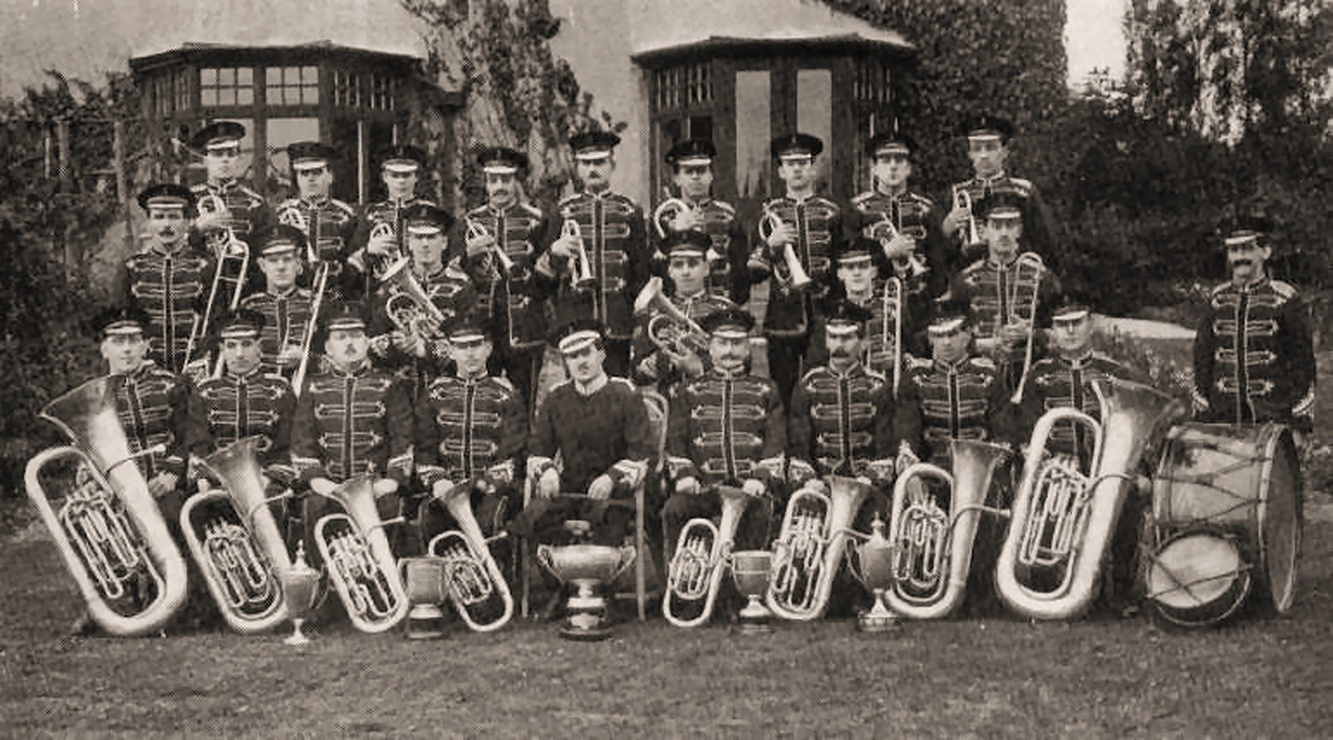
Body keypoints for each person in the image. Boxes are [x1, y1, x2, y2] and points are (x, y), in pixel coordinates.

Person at [1013, 294, 1151, 616]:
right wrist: (1041, 461)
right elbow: (1026, 428)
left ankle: (1120, 594)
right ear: (1053, 332)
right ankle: (1051, 589)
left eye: (1077, 323)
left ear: (1090, 325)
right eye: (1062, 326)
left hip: (1106, 469)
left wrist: (1141, 470)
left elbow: (1136, 428)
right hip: (1059, 471)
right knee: (1045, 507)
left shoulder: (1113, 372)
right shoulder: (1038, 375)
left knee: (1127, 501)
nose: (1070, 331)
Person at [68, 306, 191, 635]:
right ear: (104, 347)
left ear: (145, 346)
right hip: (115, 489)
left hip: (161, 484)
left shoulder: (172, 385)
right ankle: (99, 604)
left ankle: (170, 602)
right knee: (83, 521)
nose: (126, 348)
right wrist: (87, 471)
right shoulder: (90, 395)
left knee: (173, 512)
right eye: (118, 340)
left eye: (133, 340)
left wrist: (171, 473)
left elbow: (189, 438)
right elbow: (85, 447)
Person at [510, 320, 655, 547]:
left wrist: (612, 477)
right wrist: (547, 471)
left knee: (606, 530)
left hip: (614, 493)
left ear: (601, 355)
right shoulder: (556, 397)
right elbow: (538, 447)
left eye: (586, 353)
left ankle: (601, 579)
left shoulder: (625, 393)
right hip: (569, 488)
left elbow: (643, 452)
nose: (581, 362)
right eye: (572, 356)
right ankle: (555, 580)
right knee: (530, 520)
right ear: (566, 362)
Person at [291, 301, 415, 563]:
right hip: (327, 487)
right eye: (341, 337)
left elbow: (402, 438)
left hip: (376, 487)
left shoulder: (389, 384)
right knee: (313, 508)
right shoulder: (312, 387)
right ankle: (325, 589)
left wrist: (389, 482)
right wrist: (321, 483)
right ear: (328, 348)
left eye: (357, 336)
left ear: (367, 341)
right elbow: (302, 442)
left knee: (392, 509)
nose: (350, 343)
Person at [662, 306, 785, 565]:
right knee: (674, 510)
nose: (730, 350)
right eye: (722, 343)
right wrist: (685, 475)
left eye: (737, 343)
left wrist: (761, 478)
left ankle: (744, 592)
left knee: (761, 513)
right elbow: (676, 440)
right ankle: (683, 593)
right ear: (709, 346)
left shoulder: (767, 390)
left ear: (748, 348)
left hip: (749, 487)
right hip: (704, 487)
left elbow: (775, 442)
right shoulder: (686, 391)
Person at [539, 130, 651, 377]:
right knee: (580, 392)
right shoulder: (562, 212)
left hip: (617, 321)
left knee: (617, 390)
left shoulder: (630, 211)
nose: (593, 169)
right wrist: (555, 251)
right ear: (578, 168)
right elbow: (544, 277)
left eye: (599, 162)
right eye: (586, 163)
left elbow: (640, 272)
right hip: (576, 318)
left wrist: (637, 320)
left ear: (612, 165)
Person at [751, 132, 851, 406]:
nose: (797, 168)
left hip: (823, 312)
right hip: (782, 316)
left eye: (803, 163)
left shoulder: (832, 212)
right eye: (790, 163)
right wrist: (771, 245)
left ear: (813, 168)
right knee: (782, 391)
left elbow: (842, 261)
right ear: (781, 171)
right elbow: (754, 271)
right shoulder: (768, 212)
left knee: (820, 389)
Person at [1192, 215, 1316, 436]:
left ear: (1265, 252)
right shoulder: (1216, 300)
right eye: (1234, 251)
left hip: (1273, 419)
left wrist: (1299, 421)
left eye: (1247, 249)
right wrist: (1202, 410)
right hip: (1223, 419)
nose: (1240, 257)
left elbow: (1303, 363)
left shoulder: (1285, 300)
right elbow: (1202, 357)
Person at [184, 308, 298, 545]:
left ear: (259, 347)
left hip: (267, 481)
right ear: (222, 350)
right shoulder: (205, 391)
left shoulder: (281, 389)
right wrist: (208, 479)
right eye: (231, 345)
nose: (239, 353)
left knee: (273, 505)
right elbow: (199, 444)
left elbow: (288, 444)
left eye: (246, 344)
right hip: (217, 482)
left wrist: (271, 479)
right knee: (197, 510)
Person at [453, 145, 552, 410]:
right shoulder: (468, 222)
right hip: (483, 326)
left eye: (506, 179)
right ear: (486, 182)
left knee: (524, 403)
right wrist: (467, 254)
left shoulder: (537, 220)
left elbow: (549, 280)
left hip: (525, 328)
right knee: (485, 404)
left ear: (515, 180)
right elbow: (451, 275)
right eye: (493, 179)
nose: (500, 186)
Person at [414, 317, 527, 550]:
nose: (470, 353)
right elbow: (424, 447)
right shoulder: (433, 394)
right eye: (462, 347)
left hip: (491, 492)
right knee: (430, 521)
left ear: (488, 349)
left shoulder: (508, 393)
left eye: (475, 345)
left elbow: (513, 450)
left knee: (491, 521)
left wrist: (484, 485)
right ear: (451, 352)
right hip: (445, 491)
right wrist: (438, 481)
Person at [787, 298, 896, 527]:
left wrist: (870, 480)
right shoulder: (808, 385)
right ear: (826, 341)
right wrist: (809, 481)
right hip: (821, 488)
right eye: (833, 337)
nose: (839, 345)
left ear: (863, 343)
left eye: (847, 338)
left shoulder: (878, 386)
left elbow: (886, 444)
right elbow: (798, 442)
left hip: (868, 488)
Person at [952, 194, 1060, 395]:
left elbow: (1067, 337)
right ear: (983, 232)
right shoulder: (963, 281)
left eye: (1010, 225)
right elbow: (943, 343)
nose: (1004, 233)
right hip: (979, 384)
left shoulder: (1043, 277)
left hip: (1033, 383)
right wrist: (983, 345)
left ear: (1019, 230)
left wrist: (1031, 334)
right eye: (997, 226)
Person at [369, 202, 478, 399]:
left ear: (444, 242)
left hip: (447, 391)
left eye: (431, 237)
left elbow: (471, 351)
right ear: (409, 242)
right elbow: (371, 343)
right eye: (418, 237)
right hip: (399, 390)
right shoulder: (390, 286)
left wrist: (426, 349)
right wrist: (395, 343)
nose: (425, 244)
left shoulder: (462, 286)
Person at [894, 300, 1014, 469]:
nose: (946, 342)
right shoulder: (915, 377)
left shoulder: (989, 376)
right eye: (939, 335)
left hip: (981, 468)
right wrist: (910, 468)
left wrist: (993, 463)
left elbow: (1003, 430)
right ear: (930, 339)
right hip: (931, 471)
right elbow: (907, 429)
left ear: (967, 336)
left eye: (952, 334)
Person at [851, 130, 949, 333]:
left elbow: (940, 263)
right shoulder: (857, 209)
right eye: (885, 160)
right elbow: (847, 264)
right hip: (873, 306)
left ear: (909, 168)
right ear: (874, 168)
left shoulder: (926, 209)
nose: (893, 166)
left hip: (919, 309)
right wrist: (885, 253)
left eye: (900, 159)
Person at [941, 113, 1057, 269]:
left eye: (990, 148)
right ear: (969, 154)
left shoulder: (1023, 192)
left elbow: (1045, 244)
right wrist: (946, 228)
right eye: (976, 149)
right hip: (968, 281)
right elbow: (939, 255)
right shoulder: (957, 193)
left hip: (1014, 278)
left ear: (1005, 152)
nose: (983, 155)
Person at [123, 183, 214, 375]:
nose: (166, 225)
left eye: (173, 217)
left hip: (194, 371)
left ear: (187, 222)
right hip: (143, 373)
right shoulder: (131, 269)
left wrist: (202, 360)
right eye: (158, 217)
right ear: (148, 223)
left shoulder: (207, 266)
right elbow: (122, 323)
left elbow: (215, 321)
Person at [631, 229, 735, 392]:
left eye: (693, 264)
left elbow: (744, 364)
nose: (686, 271)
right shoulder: (654, 314)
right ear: (670, 271)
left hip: (713, 402)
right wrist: (662, 358)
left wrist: (700, 366)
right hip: (671, 404)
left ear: (706, 268)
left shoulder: (726, 310)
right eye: (678, 265)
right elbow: (637, 374)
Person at [654, 138, 753, 304]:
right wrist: (676, 233)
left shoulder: (728, 216)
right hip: (676, 307)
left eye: (701, 171)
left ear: (711, 176)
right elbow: (654, 269)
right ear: (677, 178)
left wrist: (734, 306)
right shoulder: (664, 218)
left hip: (721, 304)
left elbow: (741, 270)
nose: (695, 177)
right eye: (688, 171)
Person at [805, 237, 910, 389]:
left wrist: (897, 360)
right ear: (840, 273)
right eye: (850, 267)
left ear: (873, 271)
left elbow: (915, 355)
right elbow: (814, 365)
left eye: (863, 266)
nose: (856, 273)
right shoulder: (828, 314)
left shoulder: (893, 308)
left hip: (886, 391)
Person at [188, 120, 271, 295]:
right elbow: (167, 240)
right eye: (217, 154)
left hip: (245, 291)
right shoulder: (187, 200)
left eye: (231, 153)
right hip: (200, 292)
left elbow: (268, 254)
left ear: (238, 158)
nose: (225, 159)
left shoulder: (257, 204)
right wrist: (197, 228)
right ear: (205, 159)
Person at [273, 141, 361, 300]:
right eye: (304, 174)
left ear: (330, 176)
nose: (311, 179)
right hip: (293, 298)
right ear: (297, 179)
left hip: (334, 294)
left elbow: (354, 264)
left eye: (317, 172)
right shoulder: (281, 215)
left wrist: (337, 294)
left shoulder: (347, 215)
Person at [349, 143, 436, 301]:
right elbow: (353, 261)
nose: (401, 181)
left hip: (424, 293)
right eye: (395, 175)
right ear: (385, 177)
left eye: (406, 175)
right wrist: (369, 250)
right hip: (379, 295)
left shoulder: (432, 213)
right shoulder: (370, 213)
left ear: (416, 177)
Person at [238, 226, 315, 379]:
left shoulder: (316, 302)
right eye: (273, 261)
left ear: (298, 263)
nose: (281, 267)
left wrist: (307, 357)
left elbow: (335, 356)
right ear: (262, 265)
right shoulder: (248, 306)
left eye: (287, 259)